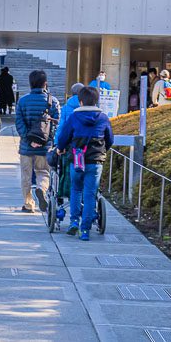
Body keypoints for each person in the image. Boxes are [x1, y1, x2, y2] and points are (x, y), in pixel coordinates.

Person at [55, 86, 114, 240]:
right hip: (95, 162)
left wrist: (60, 149)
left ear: (80, 101)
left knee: (76, 190)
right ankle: (86, 230)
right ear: (96, 101)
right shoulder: (103, 118)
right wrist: (102, 151)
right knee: (90, 194)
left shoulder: (74, 118)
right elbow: (110, 140)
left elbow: (63, 138)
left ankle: (74, 221)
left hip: (77, 160)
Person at [15, 70, 58, 213]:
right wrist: (46, 141)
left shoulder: (22, 101)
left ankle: (28, 205)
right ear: (45, 83)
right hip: (45, 147)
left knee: (26, 175)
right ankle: (41, 189)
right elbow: (56, 125)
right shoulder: (53, 101)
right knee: (43, 172)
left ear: (30, 83)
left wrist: (28, 139)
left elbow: (19, 124)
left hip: (26, 146)